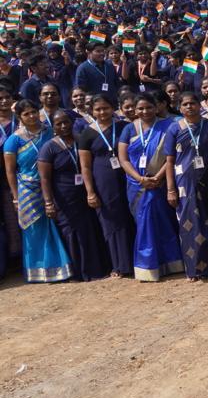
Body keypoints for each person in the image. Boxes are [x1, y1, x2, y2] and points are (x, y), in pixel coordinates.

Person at [4, 99, 71, 282]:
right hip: (27, 189)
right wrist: (16, 197)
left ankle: (60, 267)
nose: (32, 116)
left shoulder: (48, 133)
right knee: (33, 228)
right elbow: (10, 171)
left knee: (54, 224)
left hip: (51, 185)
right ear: (19, 117)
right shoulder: (14, 140)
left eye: (34, 112)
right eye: (26, 114)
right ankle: (38, 270)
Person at [37, 109, 109, 281]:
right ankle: (78, 272)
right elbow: (45, 178)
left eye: (66, 122)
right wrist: (48, 203)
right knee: (71, 233)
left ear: (72, 122)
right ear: (53, 126)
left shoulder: (80, 140)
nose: (63, 126)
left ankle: (97, 269)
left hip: (85, 194)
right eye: (58, 123)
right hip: (64, 197)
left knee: (90, 230)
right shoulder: (49, 148)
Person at [118, 93, 181, 281]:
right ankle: (147, 267)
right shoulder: (129, 129)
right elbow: (123, 158)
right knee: (144, 225)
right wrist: (139, 178)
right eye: (140, 108)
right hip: (136, 185)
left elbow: (171, 156)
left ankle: (171, 263)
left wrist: (158, 176)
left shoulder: (167, 126)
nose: (144, 111)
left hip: (160, 182)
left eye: (148, 107)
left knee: (163, 222)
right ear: (135, 110)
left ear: (156, 107)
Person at [166, 92, 208, 280]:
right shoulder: (174, 129)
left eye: (192, 103)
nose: (189, 107)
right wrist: (170, 189)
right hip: (185, 183)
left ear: (199, 105)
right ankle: (194, 269)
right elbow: (169, 161)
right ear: (179, 107)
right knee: (189, 224)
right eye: (185, 104)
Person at [77, 95, 134, 278]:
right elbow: (85, 166)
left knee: (130, 217)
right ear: (92, 112)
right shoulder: (87, 134)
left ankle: (136, 261)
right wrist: (90, 191)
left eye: (106, 108)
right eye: (98, 110)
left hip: (127, 178)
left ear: (113, 108)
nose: (102, 113)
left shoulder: (124, 127)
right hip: (103, 182)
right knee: (111, 222)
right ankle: (119, 265)